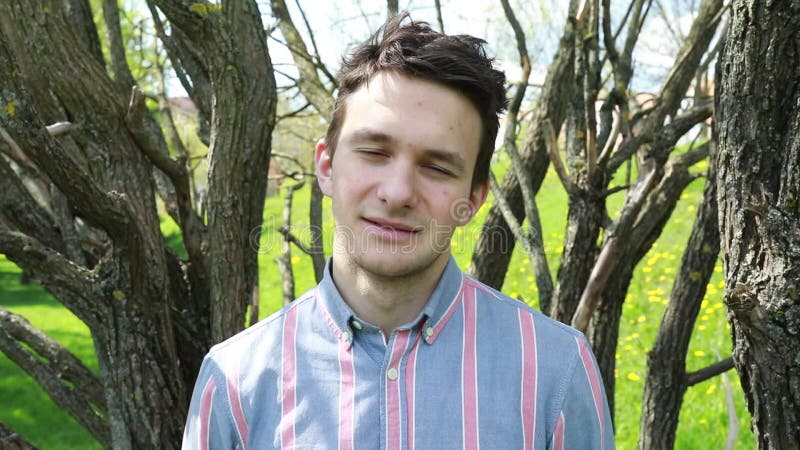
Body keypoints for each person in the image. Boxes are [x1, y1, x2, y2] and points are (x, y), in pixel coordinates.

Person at [182, 12, 614, 450]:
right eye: (373, 151)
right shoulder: (235, 382)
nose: (398, 192)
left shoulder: (555, 374)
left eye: (437, 167)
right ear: (327, 166)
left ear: (475, 198)